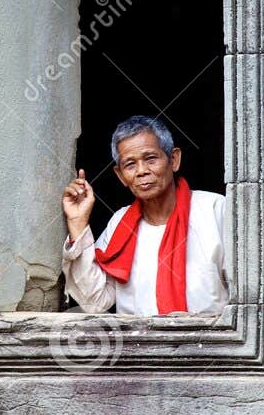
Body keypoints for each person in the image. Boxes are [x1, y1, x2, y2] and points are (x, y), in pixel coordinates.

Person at [60, 114, 229, 315]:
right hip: (137, 344)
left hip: (209, 343)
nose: (141, 171)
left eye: (150, 158)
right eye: (130, 164)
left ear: (173, 160)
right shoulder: (120, 223)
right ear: (120, 175)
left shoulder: (215, 209)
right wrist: (77, 222)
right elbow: (95, 302)